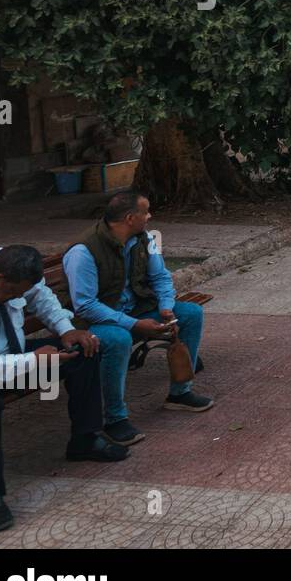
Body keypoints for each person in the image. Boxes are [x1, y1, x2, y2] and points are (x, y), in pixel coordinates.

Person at [0, 245, 127, 532]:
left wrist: (66, 329)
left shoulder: (10, 264)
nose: (17, 299)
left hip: (15, 359)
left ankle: (85, 439)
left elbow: (42, 296)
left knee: (82, 351)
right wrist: (31, 361)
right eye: (12, 295)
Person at [63, 189, 213, 448]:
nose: (150, 216)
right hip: (96, 323)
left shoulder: (143, 239)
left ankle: (180, 393)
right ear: (131, 218)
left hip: (139, 310)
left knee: (190, 313)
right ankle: (115, 418)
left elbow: (161, 277)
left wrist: (166, 308)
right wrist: (133, 324)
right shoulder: (83, 252)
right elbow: (85, 306)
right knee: (119, 338)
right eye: (146, 211)